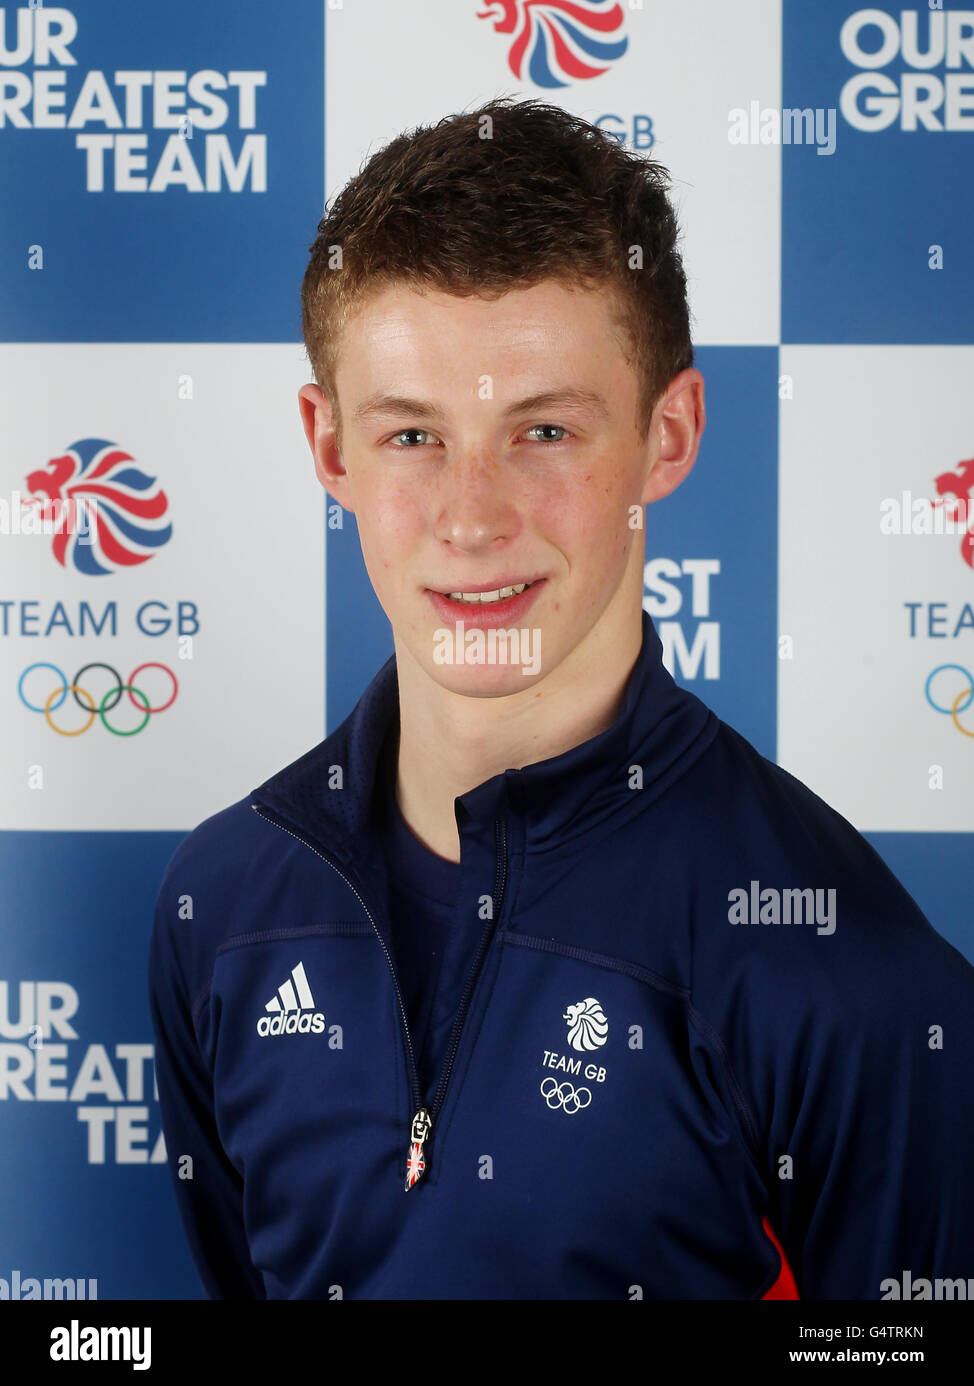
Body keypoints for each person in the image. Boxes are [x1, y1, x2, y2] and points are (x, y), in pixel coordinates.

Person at [149, 95, 974, 1300]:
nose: (472, 518)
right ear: (329, 450)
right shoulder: (220, 910)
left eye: (541, 429)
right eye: (411, 437)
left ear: (666, 435)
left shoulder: (845, 972)